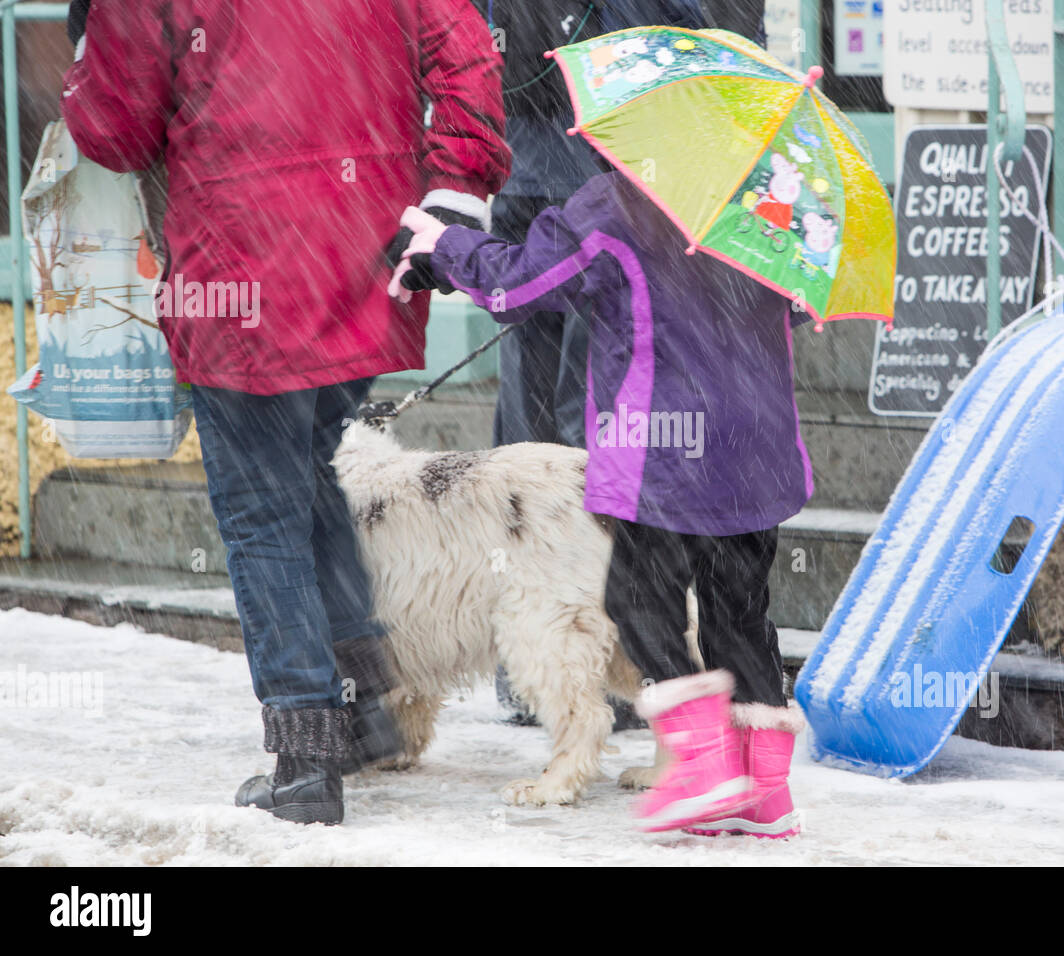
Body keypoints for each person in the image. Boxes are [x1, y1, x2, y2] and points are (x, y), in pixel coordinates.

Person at [61, 0, 510, 825]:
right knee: (308, 478)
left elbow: (115, 129)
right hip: (359, 253)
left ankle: (306, 760)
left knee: (263, 514)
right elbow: (468, 55)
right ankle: (363, 707)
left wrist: (86, 39)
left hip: (243, 266)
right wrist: (455, 184)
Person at [388, 165, 809, 838]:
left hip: (660, 448)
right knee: (741, 612)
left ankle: (700, 771)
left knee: (642, 603)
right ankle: (764, 792)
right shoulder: (764, 197)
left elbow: (522, 283)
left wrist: (445, 248)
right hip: (754, 445)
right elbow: (788, 304)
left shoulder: (621, 200)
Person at [481, 0, 768, 726]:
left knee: (564, 445)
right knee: (563, 445)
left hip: (589, 158)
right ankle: (588, 661)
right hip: (607, 159)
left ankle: (584, 663)